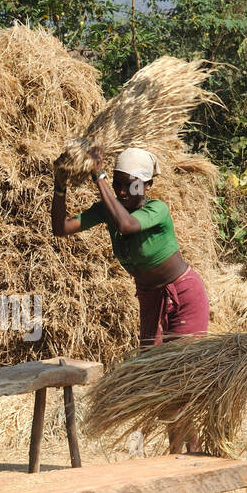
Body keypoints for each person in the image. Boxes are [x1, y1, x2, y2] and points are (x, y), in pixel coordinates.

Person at [52, 147, 209, 347]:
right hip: (150, 297)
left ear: (148, 184)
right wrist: (60, 184)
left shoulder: (156, 209)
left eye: (131, 185)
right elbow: (61, 228)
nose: (122, 191)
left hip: (183, 294)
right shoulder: (107, 210)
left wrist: (98, 175)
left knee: (182, 367)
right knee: (150, 369)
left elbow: (126, 225)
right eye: (117, 183)